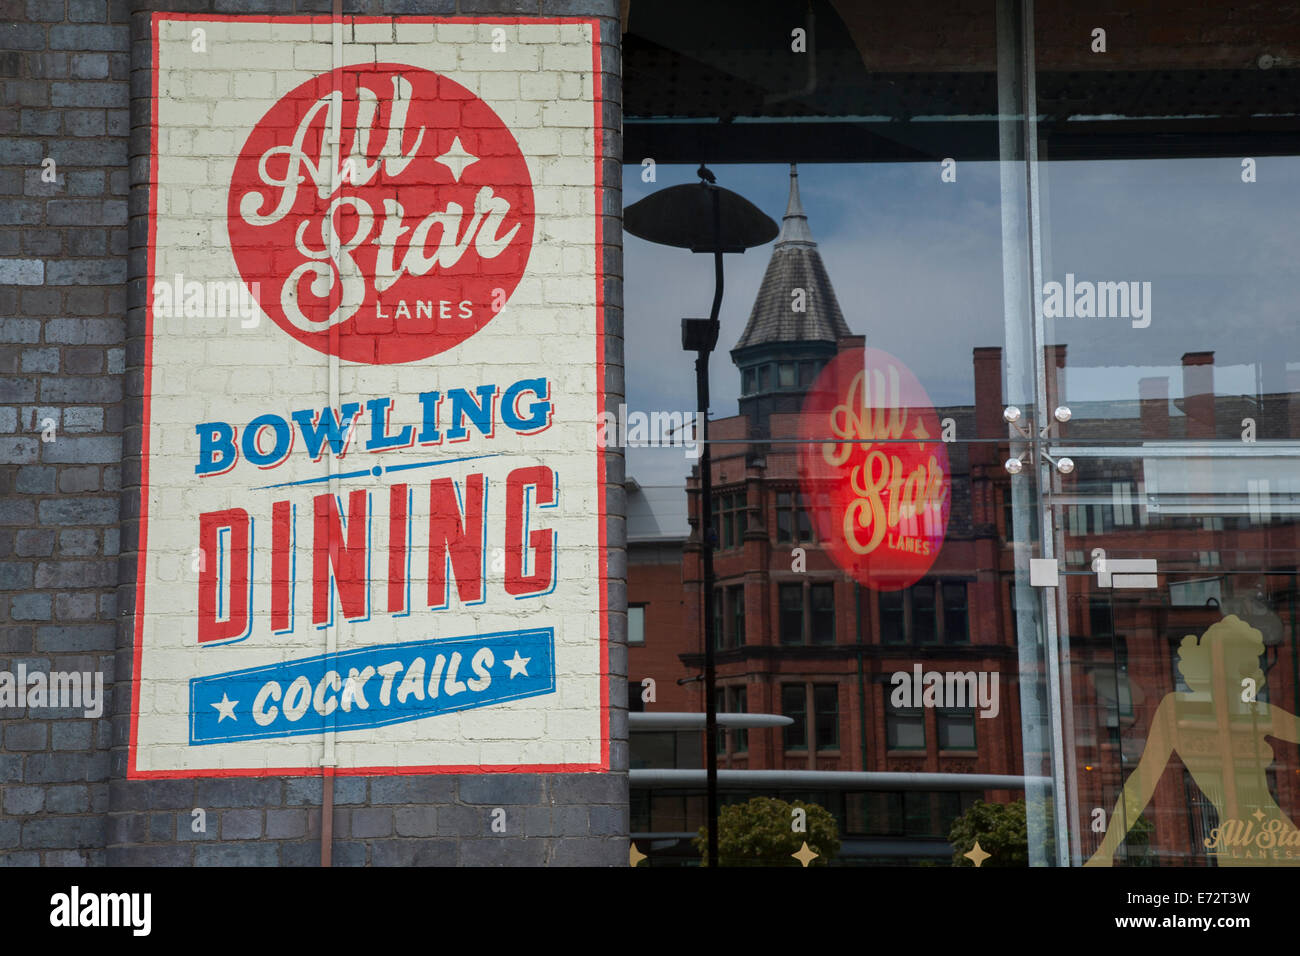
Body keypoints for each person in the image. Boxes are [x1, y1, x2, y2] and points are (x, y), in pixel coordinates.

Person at [1086, 614, 1300, 866]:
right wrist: (1106, 849)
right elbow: (1140, 784)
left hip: (1276, 837)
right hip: (1237, 840)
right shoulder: (1177, 711)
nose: (1246, 678)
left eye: (1249, 669)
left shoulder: (1254, 712)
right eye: (1239, 669)